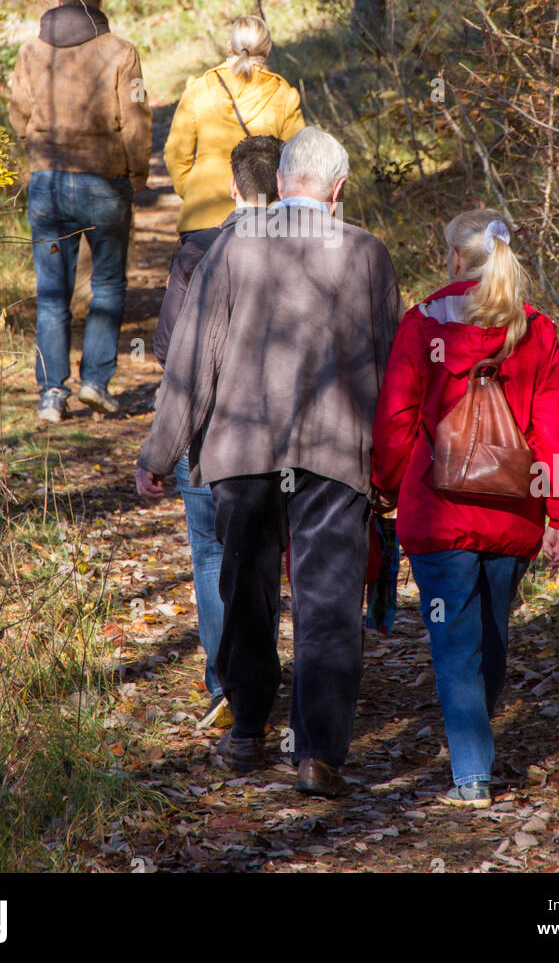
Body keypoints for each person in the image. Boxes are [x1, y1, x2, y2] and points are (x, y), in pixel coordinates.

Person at [136, 127, 401, 798]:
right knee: (329, 603)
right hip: (335, 456)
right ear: (338, 191)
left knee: (247, 593)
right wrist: (390, 471)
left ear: (282, 182)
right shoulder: (367, 253)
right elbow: (392, 375)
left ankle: (247, 731)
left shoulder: (230, 248)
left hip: (242, 453)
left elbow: (194, 360)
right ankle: (317, 755)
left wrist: (160, 452)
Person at [371, 208, 559, 808]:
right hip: (513, 517)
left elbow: (395, 418)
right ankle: (476, 753)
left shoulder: (423, 323)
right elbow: (558, 431)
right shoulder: (535, 329)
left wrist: (385, 483)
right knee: (493, 639)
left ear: (452, 258)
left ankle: (471, 771)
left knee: (454, 644)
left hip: (438, 516)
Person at [152, 135, 284, 730]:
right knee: (274, 558)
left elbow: (169, 350)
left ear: (233, 187)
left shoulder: (199, 253)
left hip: (208, 433)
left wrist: (160, 449)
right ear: (284, 185)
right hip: (282, 439)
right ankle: (269, 679)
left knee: (211, 553)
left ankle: (224, 681)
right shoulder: (313, 253)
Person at [10, 0, 152, 422]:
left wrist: (37, 148)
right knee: (107, 283)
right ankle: (95, 381)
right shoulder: (122, 52)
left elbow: (18, 116)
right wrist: (139, 172)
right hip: (104, 182)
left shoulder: (31, 51)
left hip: (48, 182)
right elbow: (136, 117)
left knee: (53, 293)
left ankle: (52, 393)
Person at [163, 14, 305, 245]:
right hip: (262, 217)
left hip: (201, 214)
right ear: (267, 51)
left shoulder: (200, 88)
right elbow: (297, 159)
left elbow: (176, 153)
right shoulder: (283, 94)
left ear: (229, 46)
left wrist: (191, 190)